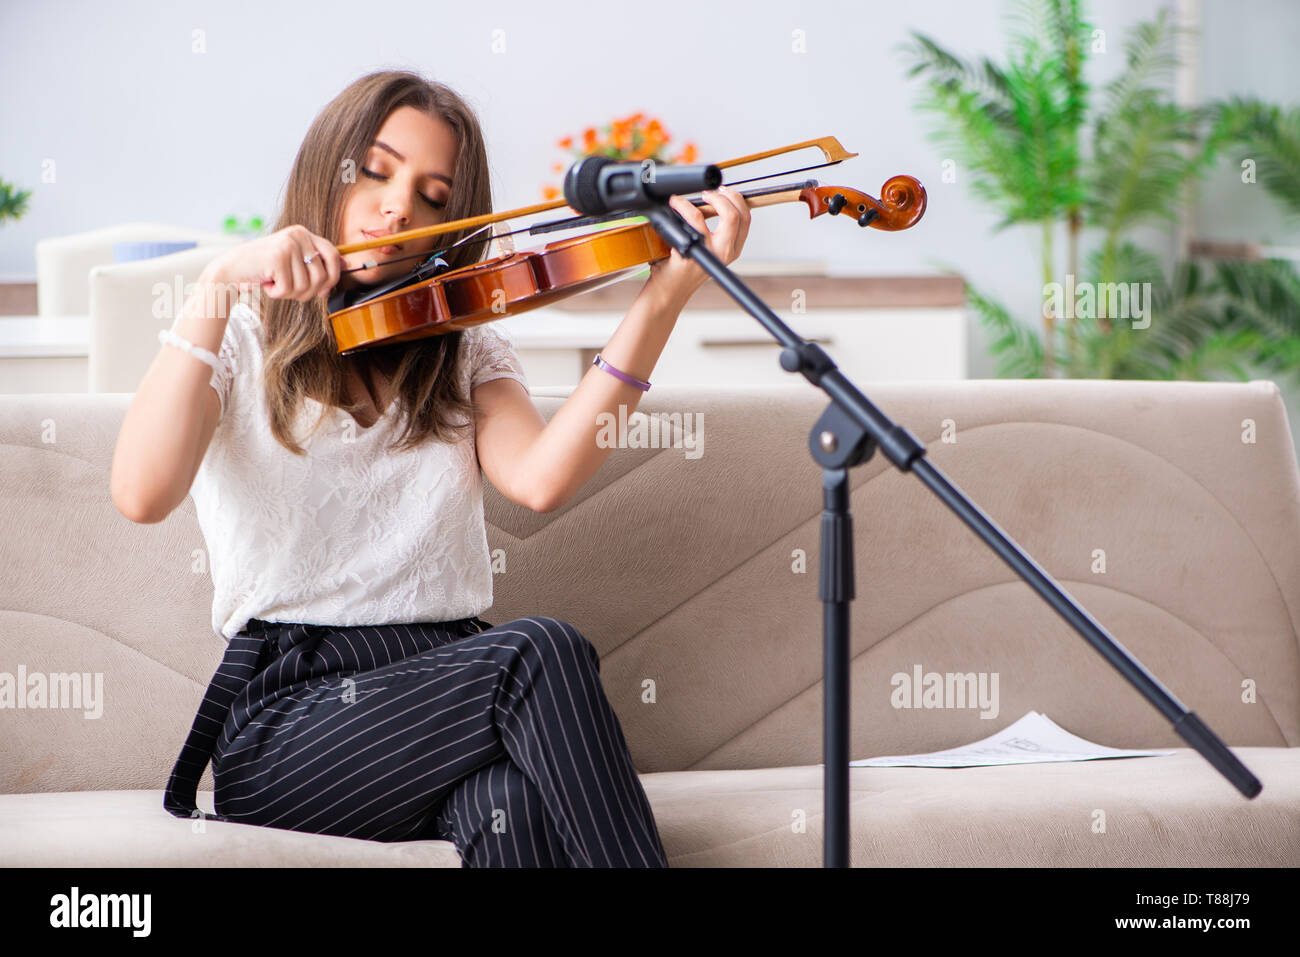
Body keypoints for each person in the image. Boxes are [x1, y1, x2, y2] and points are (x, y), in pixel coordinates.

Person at [109, 69, 749, 868]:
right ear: (325, 171)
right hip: (292, 723)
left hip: (440, 690)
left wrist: (662, 300)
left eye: (434, 194)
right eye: (375, 172)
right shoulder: (237, 337)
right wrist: (213, 284)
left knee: (512, 808)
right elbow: (140, 491)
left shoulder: (465, 345)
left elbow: (543, 477)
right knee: (539, 647)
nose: (398, 206)